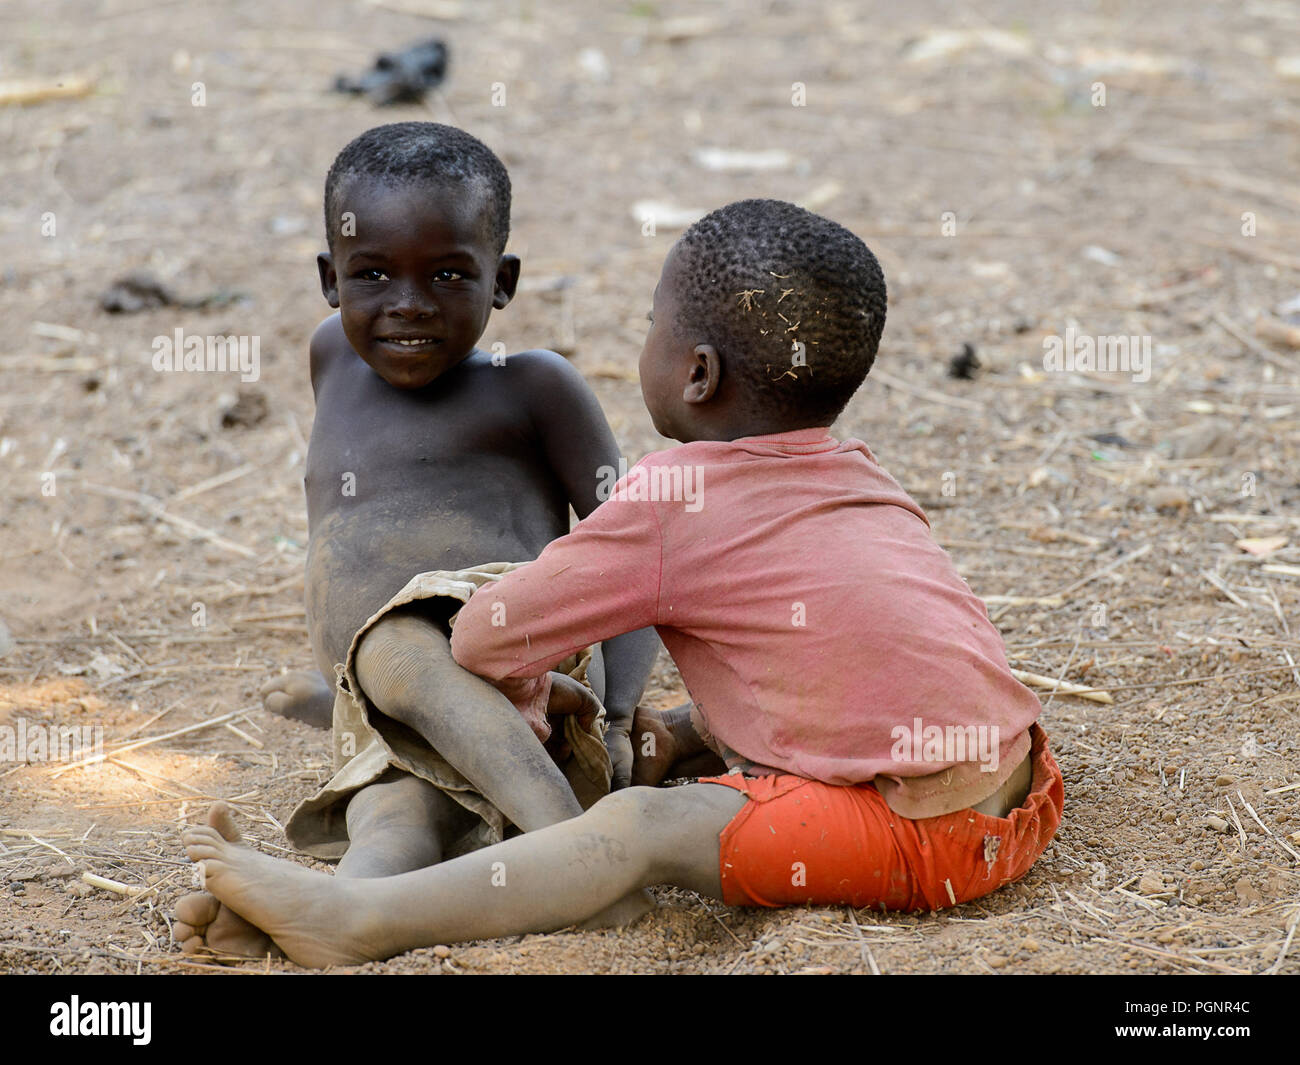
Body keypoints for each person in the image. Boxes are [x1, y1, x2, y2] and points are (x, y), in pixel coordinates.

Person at [177, 199, 1063, 967]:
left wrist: (531, 674)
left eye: (651, 322)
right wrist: (686, 729)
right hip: (1024, 786)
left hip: (926, 837)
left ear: (698, 373)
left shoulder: (671, 505)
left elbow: (485, 636)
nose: (644, 339)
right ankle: (293, 916)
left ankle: (357, 918)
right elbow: (836, 657)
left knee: (638, 826)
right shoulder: (861, 475)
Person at [173, 122, 658, 958]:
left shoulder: (534, 386)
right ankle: (310, 918)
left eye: (446, 275)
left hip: (517, 657)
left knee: (398, 647)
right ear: (330, 280)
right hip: (392, 715)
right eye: (372, 275)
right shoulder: (330, 357)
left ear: (500, 282)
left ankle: (586, 858)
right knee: (389, 818)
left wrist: (614, 720)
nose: (408, 303)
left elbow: (639, 556)